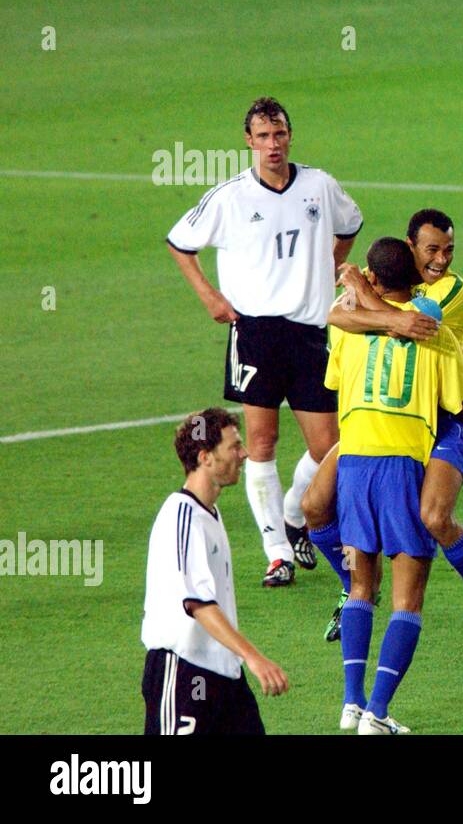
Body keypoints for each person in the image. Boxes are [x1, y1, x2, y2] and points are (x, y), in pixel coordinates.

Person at [166, 97, 364, 586]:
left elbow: (349, 227)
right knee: (261, 442)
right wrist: (211, 297)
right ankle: (277, 552)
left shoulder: (319, 185)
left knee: (329, 446)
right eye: (263, 136)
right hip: (254, 332)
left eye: (279, 134)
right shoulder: (231, 197)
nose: (272, 145)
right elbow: (180, 243)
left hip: (310, 330)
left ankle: (296, 514)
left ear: (289, 136)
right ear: (249, 142)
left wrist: (327, 265)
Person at [304, 210, 463, 659]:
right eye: (432, 250)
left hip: (443, 415)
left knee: (434, 519)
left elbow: (417, 321)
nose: (441, 260)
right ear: (410, 249)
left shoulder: (450, 290)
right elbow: (339, 315)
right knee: (314, 506)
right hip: (385, 416)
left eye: (449, 250)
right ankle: (354, 588)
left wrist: (362, 290)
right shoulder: (393, 290)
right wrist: (374, 308)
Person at [325, 237, 457, 734]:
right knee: (408, 598)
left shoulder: (347, 326)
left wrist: (357, 292)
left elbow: (335, 377)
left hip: (354, 463)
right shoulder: (430, 325)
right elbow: (460, 405)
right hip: (402, 465)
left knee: (360, 584)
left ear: (373, 280)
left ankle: (352, 703)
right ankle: (377, 715)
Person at [142, 408, 288, 734]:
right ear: (206, 457)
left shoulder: (209, 513)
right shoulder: (182, 516)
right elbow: (198, 604)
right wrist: (254, 657)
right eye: (234, 447)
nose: (245, 453)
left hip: (224, 674)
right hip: (184, 673)